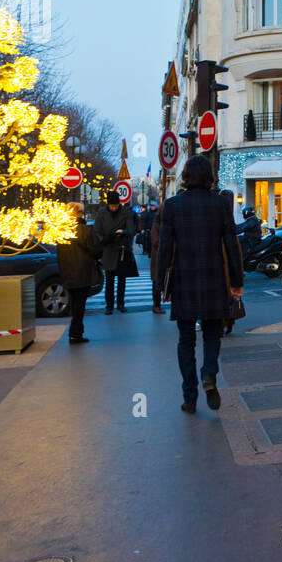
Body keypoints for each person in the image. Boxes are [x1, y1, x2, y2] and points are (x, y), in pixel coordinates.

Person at [156, 155, 244, 413]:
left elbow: (165, 248)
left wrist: (163, 284)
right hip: (214, 278)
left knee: (185, 340)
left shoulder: (171, 206)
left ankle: (190, 397)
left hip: (183, 279)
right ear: (208, 177)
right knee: (212, 334)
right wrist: (236, 281)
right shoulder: (220, 205)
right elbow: (231, 245)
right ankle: (209, 374)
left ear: (184, 177)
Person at [55, 202, 102, 344]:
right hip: (82, 272)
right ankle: (75, 333)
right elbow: (96, 250)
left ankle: (75, 332)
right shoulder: (85, 230)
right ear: (80, 213)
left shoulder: (60, 231)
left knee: (74, 302)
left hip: (67, 271)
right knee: (80, 304)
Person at [94, 190, 137, 314]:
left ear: (119, 204)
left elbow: (131, 229)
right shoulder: (101, 212)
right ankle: (109, 305)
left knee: (122, 280)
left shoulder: (125, 213)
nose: (113, 208)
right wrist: (103, 239)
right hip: (108, 249)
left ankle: (121, 303)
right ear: (108, 204)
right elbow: (96, 230)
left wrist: (122, 232)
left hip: (121, 249)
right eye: (111, 206)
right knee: (109, 280)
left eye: (116, 206)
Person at [149, 205, 165, 315]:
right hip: (158, 257)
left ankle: (157, 304)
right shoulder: (157, 223)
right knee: (157, 282)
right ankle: (156, 305)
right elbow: (155, 241)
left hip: (162, 256)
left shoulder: (164, 222)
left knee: (160, 281)